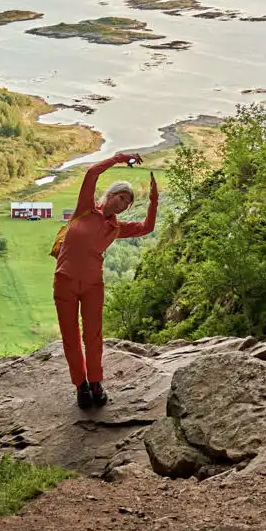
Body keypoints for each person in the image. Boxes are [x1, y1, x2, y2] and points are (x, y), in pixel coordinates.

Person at [52, 151, 158, 409]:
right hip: (64, 281)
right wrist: (120, 158)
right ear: (110, 195)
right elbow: (91, 173)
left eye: (127, 203)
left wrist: (154, 199)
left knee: (94, 335)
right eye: (121, 198)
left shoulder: (116, 228)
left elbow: (147, 227)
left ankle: (96, 382)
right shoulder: (85, 208)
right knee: (70, 336)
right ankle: (81, 386)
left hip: (93, 286)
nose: (123, 204)